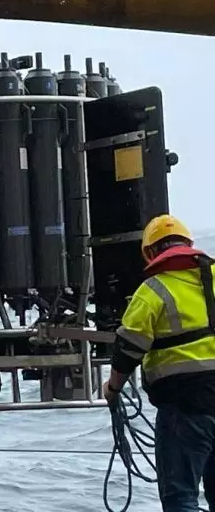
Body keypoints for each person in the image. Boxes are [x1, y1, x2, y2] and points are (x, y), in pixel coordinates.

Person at [103, 214, 215, 512]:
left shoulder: (153, 291)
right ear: (190, 245)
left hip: (186, 406)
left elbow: (128, 348)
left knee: (180, 496)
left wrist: (113, 389)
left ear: (150, 253)